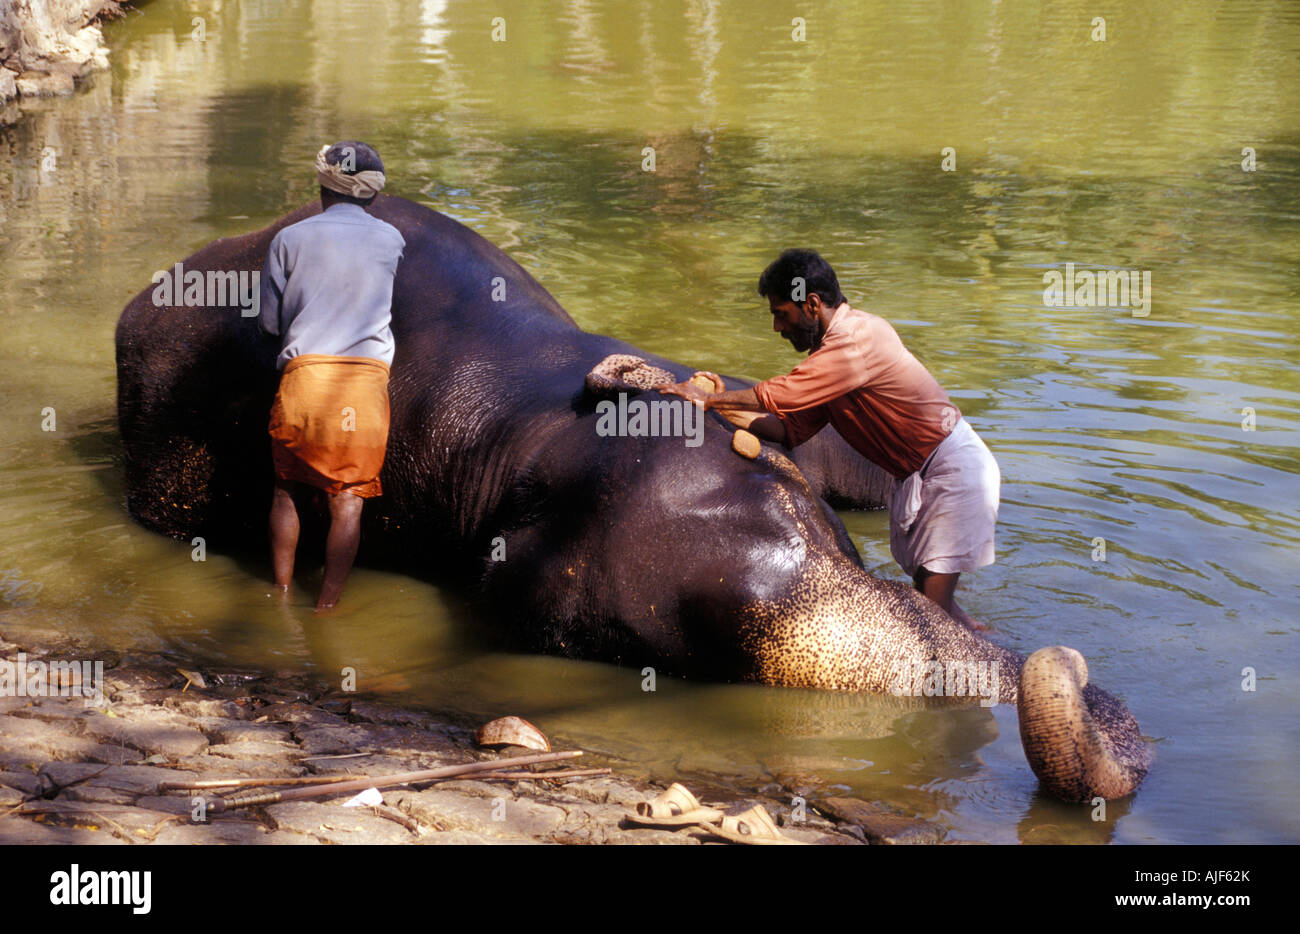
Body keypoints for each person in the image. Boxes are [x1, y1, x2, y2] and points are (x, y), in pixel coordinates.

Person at [660, 249, 1000, 632]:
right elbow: (789, 430)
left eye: (780, 313)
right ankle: (1002, 653)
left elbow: (781, 393)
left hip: (950, 470)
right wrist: (720, 410)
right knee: (940, 612)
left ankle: (977, 682)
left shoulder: (857, 339)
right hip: (924, 472)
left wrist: (709, 398)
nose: (777, 328)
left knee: (931, 622)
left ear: (812, 305)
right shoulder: (831, 359)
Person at [257, 141, 406, 610]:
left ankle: (280, 594)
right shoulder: (391, 240)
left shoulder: (289, 239)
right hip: (363, 388)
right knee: (349, 501)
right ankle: (326, 608)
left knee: (287, 492)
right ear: (374, 194)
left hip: (304, 382)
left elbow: (268, 325)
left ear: (323, 184)